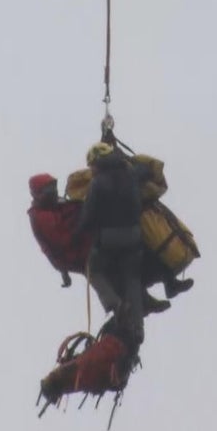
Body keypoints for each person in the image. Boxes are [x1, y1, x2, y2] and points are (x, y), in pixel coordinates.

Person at [28, 171, 171, 312]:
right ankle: (117, 306)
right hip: (76, 251)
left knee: (122, 262)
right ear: (39, 195)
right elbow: (61, 241)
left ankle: (141, 300)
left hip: (84, 243)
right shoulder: (41, 217)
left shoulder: (53, 206)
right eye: (49, 190)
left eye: (53, 188)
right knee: (102, 267)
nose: (53, 192)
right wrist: (83, 225)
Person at [71, 142, 148, 349]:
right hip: (134, 236)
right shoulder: (130, 173)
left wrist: (76, 234)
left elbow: (88, 218)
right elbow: (145, 170)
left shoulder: (97, 184)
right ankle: (138, 328)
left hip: (108, 239)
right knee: (132, 279)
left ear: (96, 163)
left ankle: (115, 304)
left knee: (94, 271)